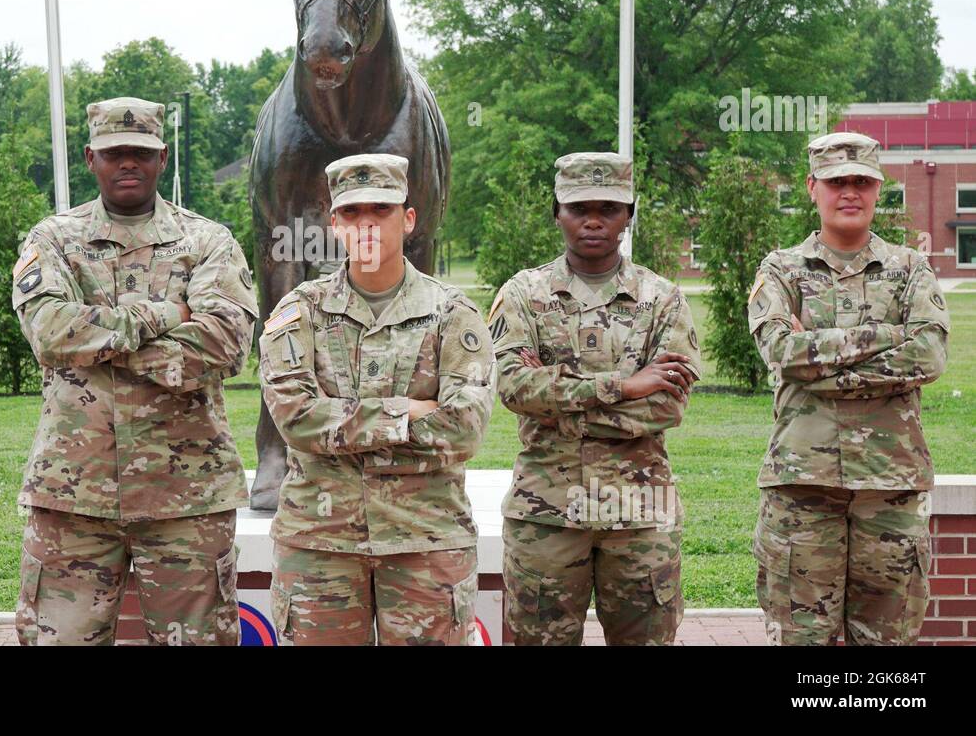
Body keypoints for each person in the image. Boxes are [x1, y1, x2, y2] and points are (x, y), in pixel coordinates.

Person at [12, 96, 257, 645]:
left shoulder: (207, 241)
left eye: (141, 153)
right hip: (74, 495)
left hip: (186, 496)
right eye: (114, 152)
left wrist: (99, 344)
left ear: (162, 158)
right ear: (89, 158)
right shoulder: (53, 239)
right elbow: (51, 331)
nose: (128, 163)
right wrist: (167, 315)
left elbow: (227, 343)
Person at [259, 153, 494, 645]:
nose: (366, 224)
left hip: (424, 542)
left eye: (380, 211)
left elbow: (463, 429)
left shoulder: (452, 313)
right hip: (319, 544)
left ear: (408, 219)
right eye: (352, 212)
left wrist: (341, 423)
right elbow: (296, 419)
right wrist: (407, 412)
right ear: (334, 224)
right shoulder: (299, 311)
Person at [490, 151, 700, 645]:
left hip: (640, 514)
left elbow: (667, 404)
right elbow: (515, 388)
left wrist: (561, 402)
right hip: (547, 514)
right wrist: (624, 385)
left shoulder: (663, 298)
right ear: (557, 212)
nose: (593, 221)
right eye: (579, 207)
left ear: (629, 214)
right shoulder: (523, 295)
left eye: (608, 208)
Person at [748, 132, 948, 645]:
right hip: (802, 486)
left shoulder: (910, 269)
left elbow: (927, 356)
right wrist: (886, 338)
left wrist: (824, 366)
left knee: (884, 642)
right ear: (813, 187)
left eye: (862, 181)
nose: (850, 192)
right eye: (838, 181)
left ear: (879, 189)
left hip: (889, 486)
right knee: (802, 639)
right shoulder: (781, 269)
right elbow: (780, 352)